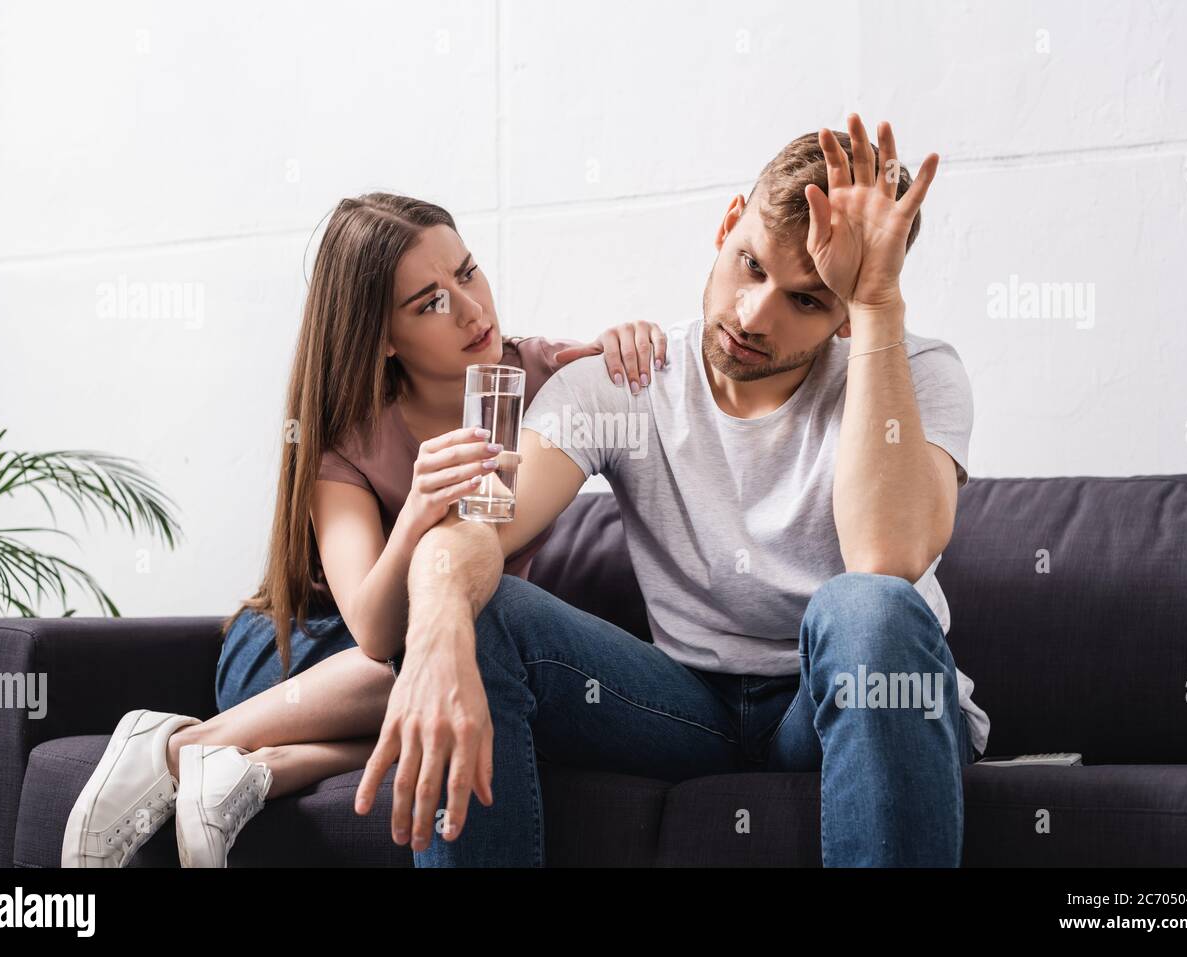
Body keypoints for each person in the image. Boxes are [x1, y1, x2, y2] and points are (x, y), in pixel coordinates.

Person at [355, 115, 991, 867]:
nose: (756, 316)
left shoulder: (911, 370)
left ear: (847, 313)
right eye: (751, 265)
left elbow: (885, 557)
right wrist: (434, 625)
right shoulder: (628, 380)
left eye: (809, 300)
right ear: (728, 224)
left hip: (837, 701)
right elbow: (485, 525)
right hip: (684, 711)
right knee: (479, 602)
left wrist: (879, 304)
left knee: (870, 605)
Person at [61, 192, 670, 868]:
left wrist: (631, 343)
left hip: (440, 651)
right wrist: (414, 513)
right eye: (429, 303)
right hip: (304, 653)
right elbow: (379, 631)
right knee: (450, 663)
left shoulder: (538, 379)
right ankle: (180, 745)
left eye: (467, 272)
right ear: (382, 337)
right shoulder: (347, 438)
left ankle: (263, 767)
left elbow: (622, 387)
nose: (471, 310)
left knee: (486, 689)